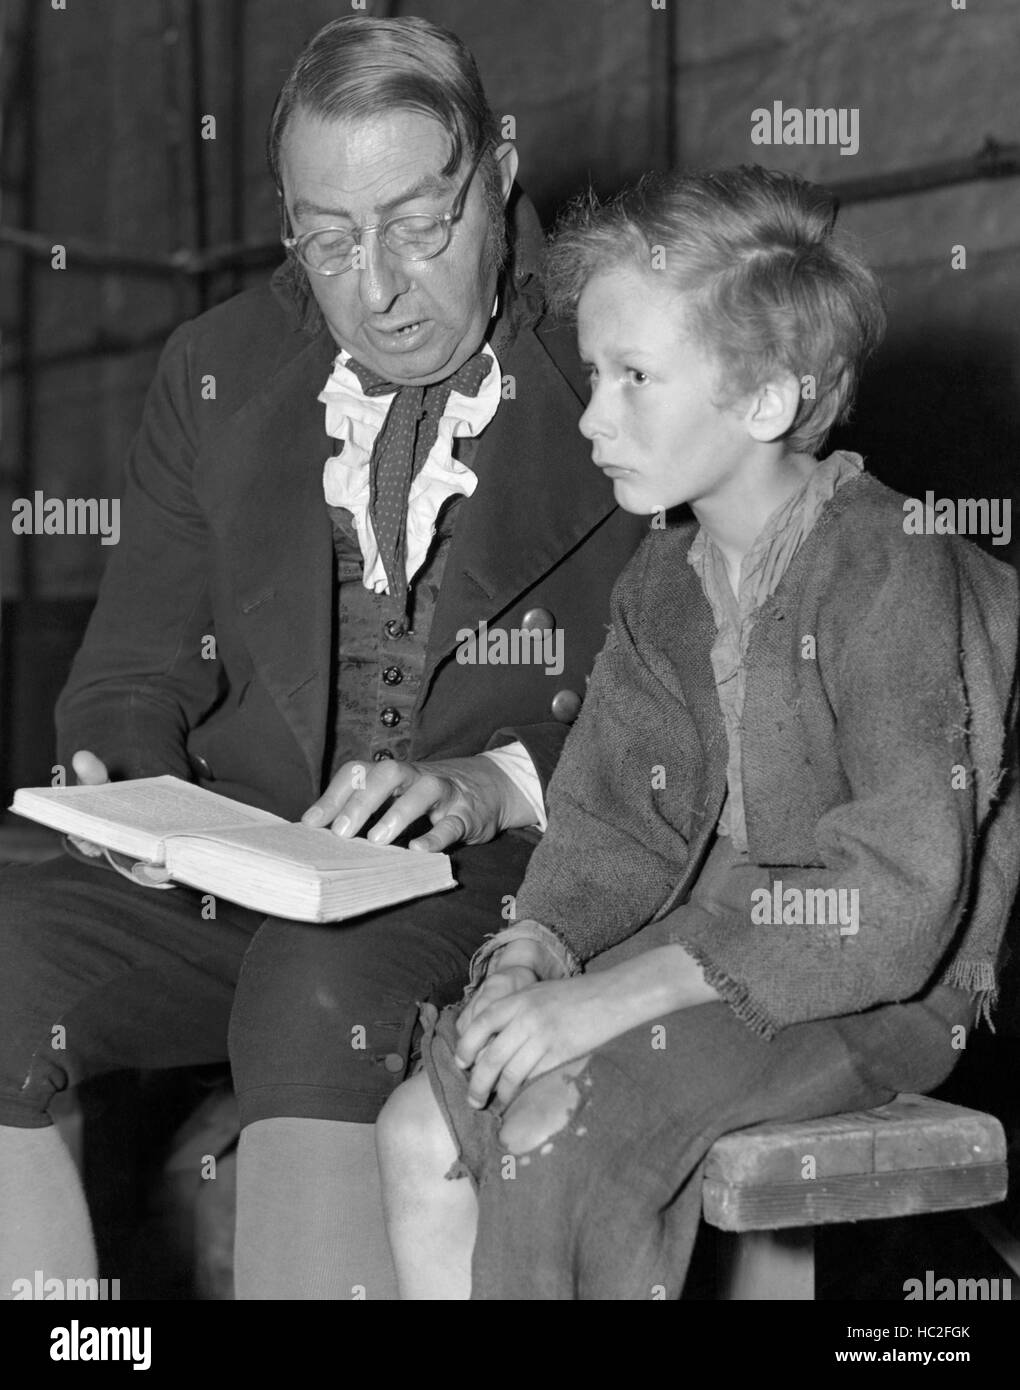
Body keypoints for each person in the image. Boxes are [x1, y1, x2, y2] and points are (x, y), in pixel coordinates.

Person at [0, 16, 642, 1300]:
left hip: (526, 875)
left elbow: (709, 685)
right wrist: (133, 794)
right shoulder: (218, 372)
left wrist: (497, 780)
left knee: (313, 990)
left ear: (500, 177)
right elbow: (131, 667)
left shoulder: (625, 350)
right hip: (251, 869)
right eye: (330, 236)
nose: (381, 286)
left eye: (420, 222)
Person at [376, 165, 1020, 1300]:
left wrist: (612, 998)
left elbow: (899, 898)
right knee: (418, 1122)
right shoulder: (661, 584)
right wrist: (540, 947)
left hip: (878, 981)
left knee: (547, 1133)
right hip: (709, 936)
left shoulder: (891, 569)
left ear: (769, 399)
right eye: (591, 373)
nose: (591, 415)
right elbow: (611, 823)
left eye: (635, 377)